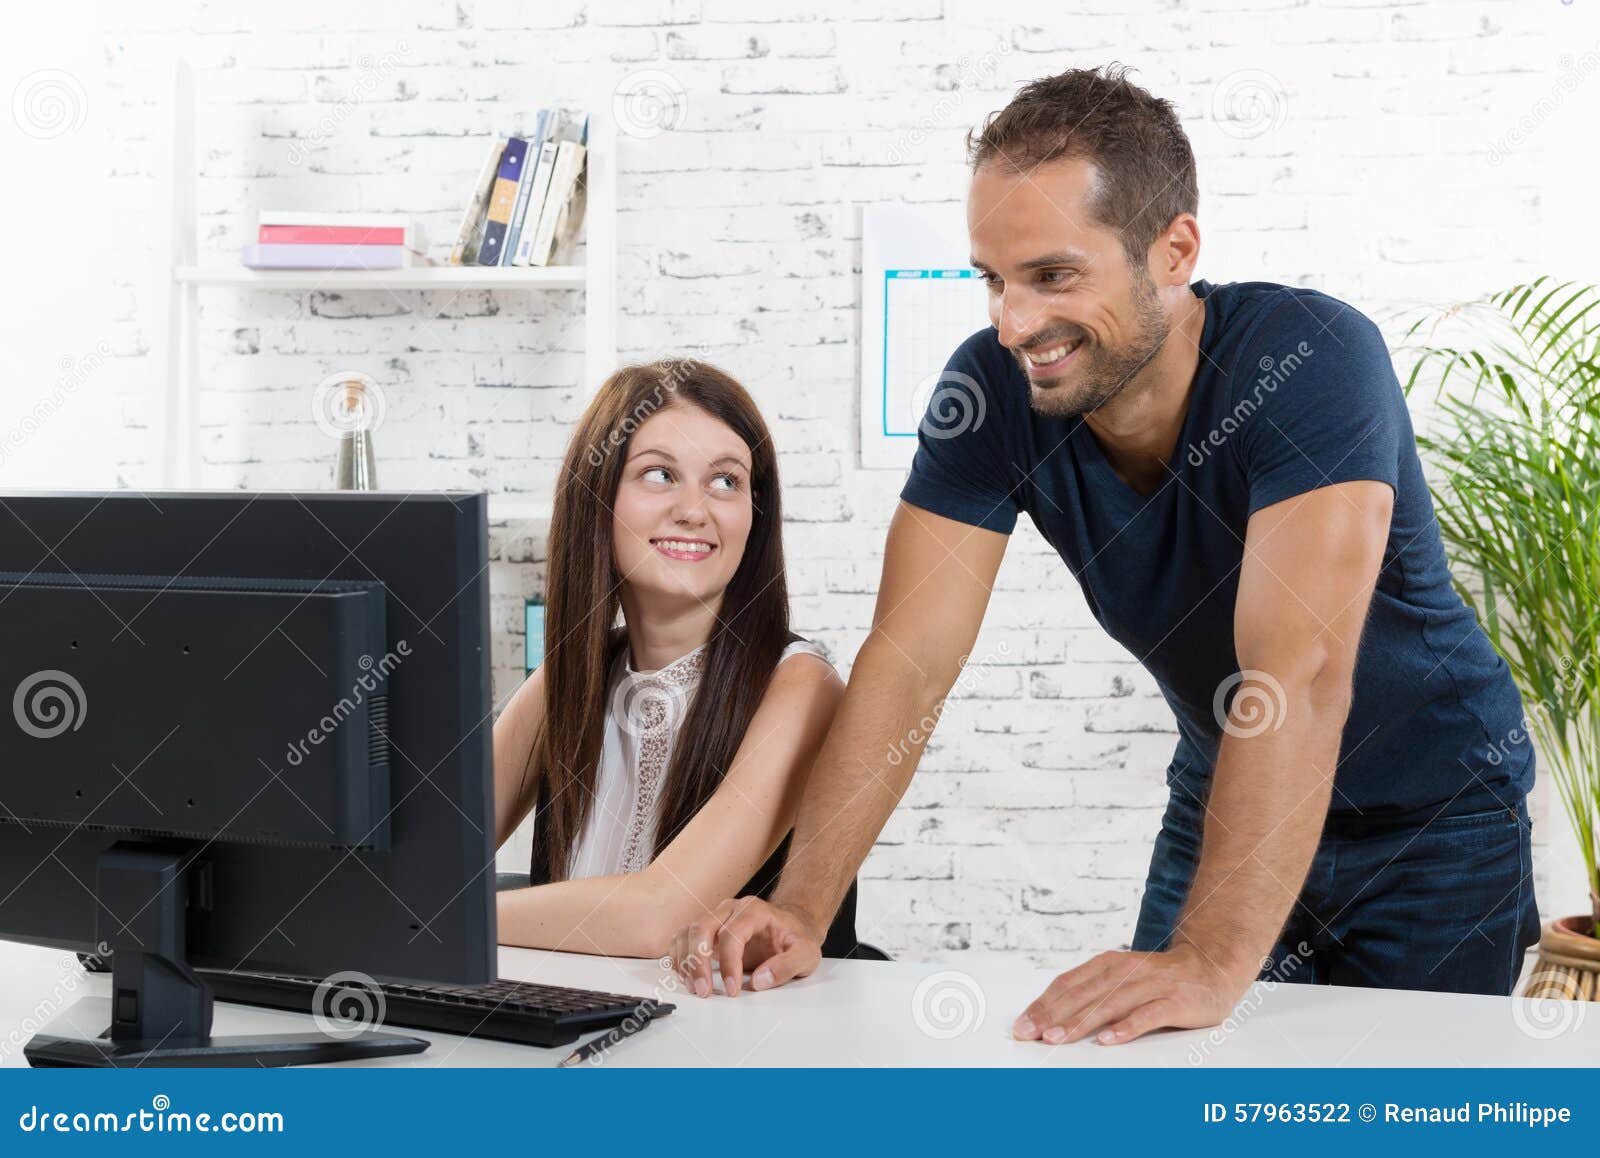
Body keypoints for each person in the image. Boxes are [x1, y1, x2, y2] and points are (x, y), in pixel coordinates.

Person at [670, 65, 1540, 1041]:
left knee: (1392, 1116)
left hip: (1433, 823)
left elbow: (1298, 673)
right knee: (1156, 1080)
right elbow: (908, 663)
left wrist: (1210, 961)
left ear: (1172, 252)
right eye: (991, 279)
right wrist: (801, 910)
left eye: (1051, 275)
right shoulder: (990, 396)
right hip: (1225, 792)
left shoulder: (1310, 358)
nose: (1013, 322)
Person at [492, 358, 862, 970]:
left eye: (726, 482)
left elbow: (657, 918)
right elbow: (427, 860)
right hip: (578, 1030)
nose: (696, 509)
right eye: (660, 474)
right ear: (597, 499)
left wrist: (445, 920)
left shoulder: (800, 686)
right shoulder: (564, 681)